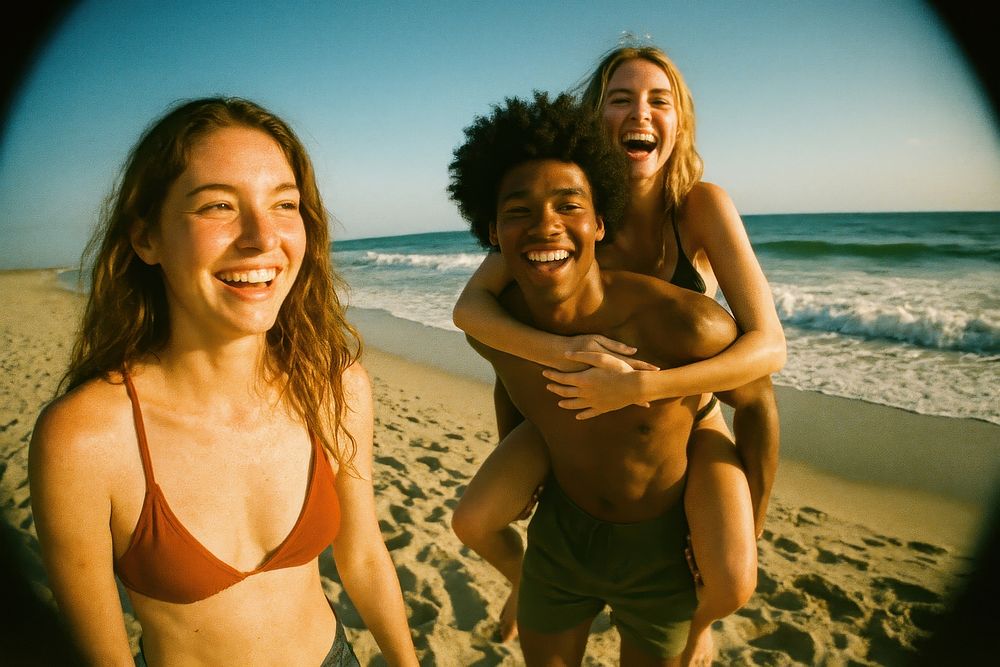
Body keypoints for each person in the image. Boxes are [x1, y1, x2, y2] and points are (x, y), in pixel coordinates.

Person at [28, 97, 418, 666]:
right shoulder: (84, 440)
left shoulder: (334, 386)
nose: (262, 237)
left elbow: (361, 554)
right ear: (146, 239)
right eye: (218, 206)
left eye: (284, 205)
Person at [451, 44, 784, 664]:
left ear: (679, 121)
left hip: (686, 409)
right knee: (473, 519)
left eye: (660, 100)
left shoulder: (700, 207)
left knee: (733, 578)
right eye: (620, 99)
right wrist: (562, 351)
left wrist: (644, 389)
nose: (641, 113)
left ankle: (700, 625)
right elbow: (483, 322)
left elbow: (767, 349)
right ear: (594, 116)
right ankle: (523, 580)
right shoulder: (562, 207)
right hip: (573, 400)